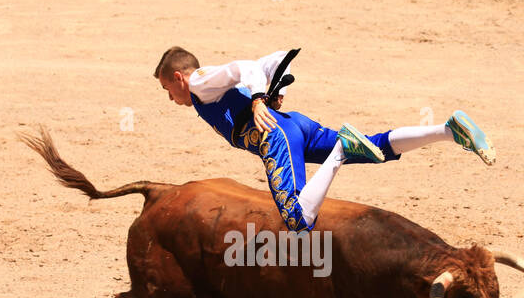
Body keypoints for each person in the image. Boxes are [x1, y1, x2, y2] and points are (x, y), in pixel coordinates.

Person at [153, 47, 493, 233]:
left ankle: (343, 149)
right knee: (375, 148)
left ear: (178, 77)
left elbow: (245, 66)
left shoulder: (199, 82)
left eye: (167, 89)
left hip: (277, 137)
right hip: (295, 126)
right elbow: (269, 61)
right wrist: (277, 91)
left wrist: (258, 99)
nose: (170, 98)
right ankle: (450, 130)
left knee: (298, 221)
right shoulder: (205, 87)